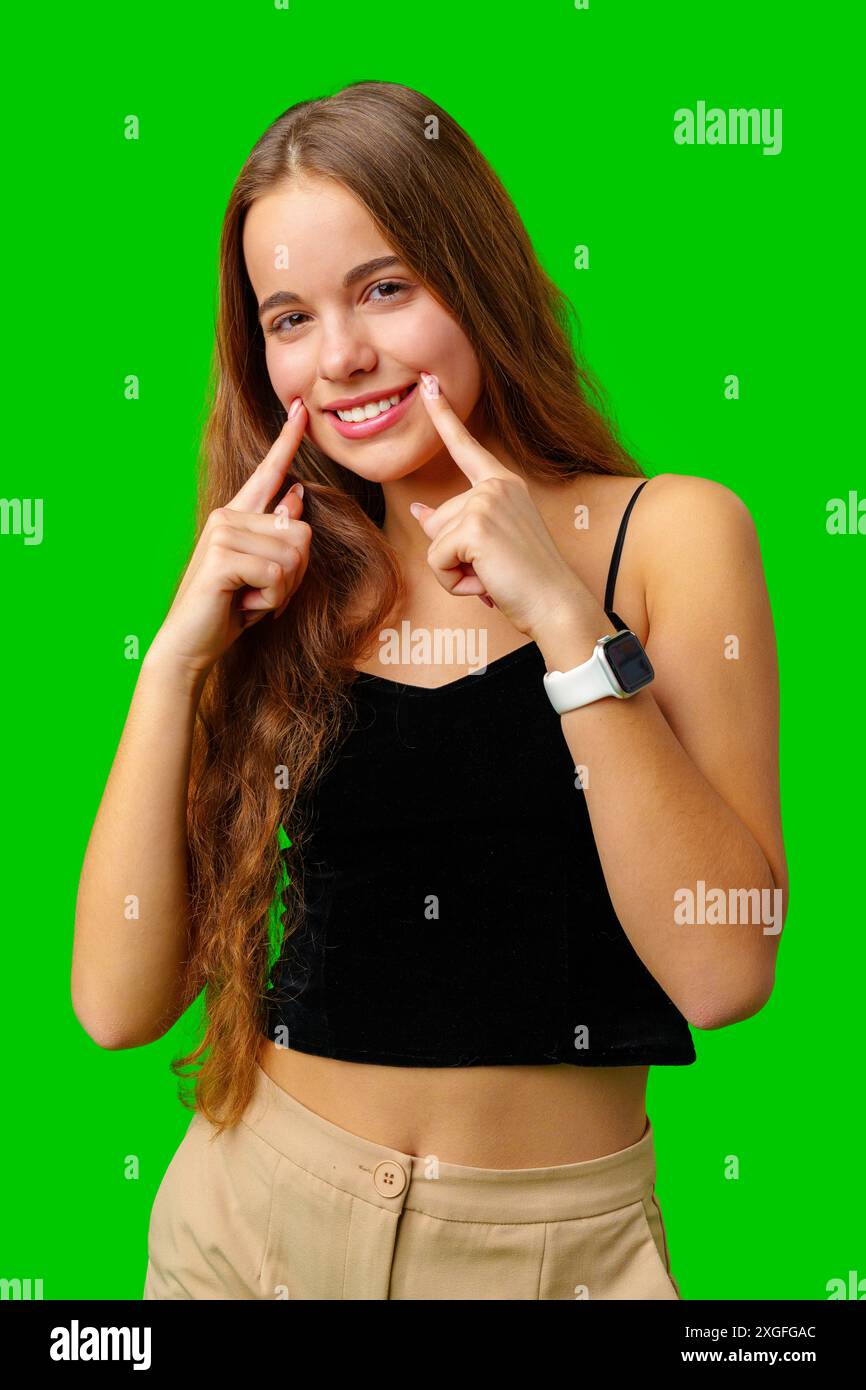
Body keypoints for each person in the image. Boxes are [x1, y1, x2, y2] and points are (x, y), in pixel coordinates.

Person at [72, 81, 788, 1301]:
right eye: (287, 317)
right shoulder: (278, 575)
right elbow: (115, 1004)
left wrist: (562, 616)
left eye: (384, 288)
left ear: (477, 276)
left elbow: (724, 974)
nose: (341, 354)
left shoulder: (670, 536)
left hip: (553, 1252)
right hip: (249, 1229)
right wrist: (176, 662)